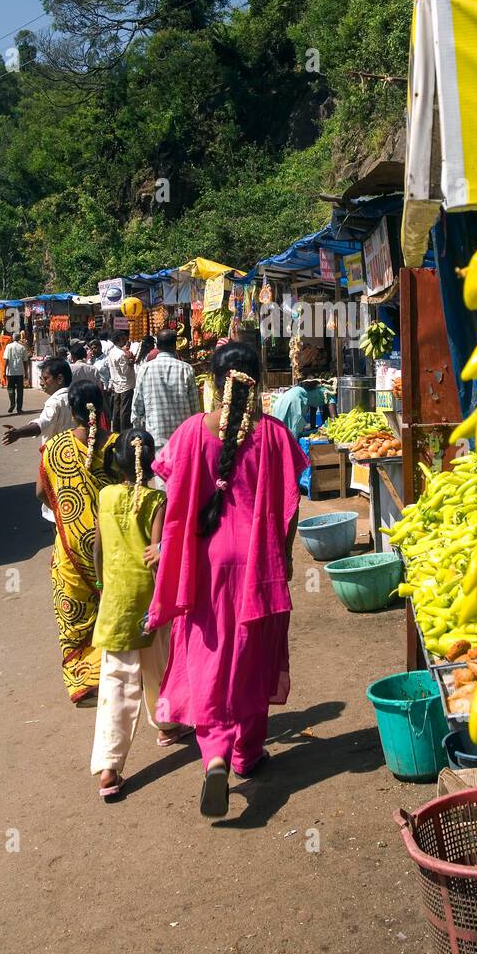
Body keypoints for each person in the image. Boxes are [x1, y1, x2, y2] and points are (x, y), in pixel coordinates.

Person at [144, 342, 307, 819]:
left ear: (214, 383)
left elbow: (169, 494)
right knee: (252, 653)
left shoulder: (194, 431)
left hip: (207, 563)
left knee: (209, 655)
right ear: (257, 382)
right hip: (256, 563)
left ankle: (215, 751)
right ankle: (247, 753)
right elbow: (289, 506)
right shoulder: (274, 434)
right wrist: (286, 557)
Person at [90, 429, 187, 797]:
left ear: (116, 463)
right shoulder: (156, 499)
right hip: (150, 597)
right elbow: (156, 551)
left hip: (116, 600)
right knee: (157, 664)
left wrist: (102, 585)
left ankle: (109, 770)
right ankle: (166, 724)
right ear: (151, 464)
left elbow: (98, 548)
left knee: (116, 683)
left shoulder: (105, 495)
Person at [36, 381, 118, 705]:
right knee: (107, 613)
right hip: (110, 549)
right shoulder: (114, 446)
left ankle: (83, 683)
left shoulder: (54, 448)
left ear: (71, 411)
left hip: (69, 553)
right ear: (103, 408)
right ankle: (110, 674)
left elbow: (41, 493)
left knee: (73, 619)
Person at [2, 357, 75, 520]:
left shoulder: (54, 402)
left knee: (46, 494)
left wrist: (18, 433)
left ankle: (60, 515)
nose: (42, 383)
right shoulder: (75, 396)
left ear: (60, 379)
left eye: (45, 378)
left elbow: (41, 424)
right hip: (75, 455)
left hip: (56, 459)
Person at [131, 329, 200, 455]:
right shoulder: (186, 369)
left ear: (157, 346)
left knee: (160, 471)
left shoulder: (145, 369)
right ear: (175, 346)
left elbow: (137, 406)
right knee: (180, 471)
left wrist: (138, 432)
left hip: (156, 434)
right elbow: (195, 408)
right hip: (183, 435)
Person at [107, 328, 136, 431]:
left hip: (117, 384)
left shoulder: (112, 352)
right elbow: (125, 371)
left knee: (117, 409)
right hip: (126, 384)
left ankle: (116, 429)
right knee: (125, 410)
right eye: (123, 338)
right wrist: (131, 363)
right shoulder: (121, 354)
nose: (125, 340)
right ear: (119, 339)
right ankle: (125, 431)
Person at [3, 331, 30, 414]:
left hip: (10, 372)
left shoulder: (8, 346)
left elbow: (6, 360)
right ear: (19, 338)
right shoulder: (22, 347)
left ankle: (12, 403)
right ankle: (19, 408)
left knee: (10, 389)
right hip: (19, 372)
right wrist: (26, 373)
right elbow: (25, 361)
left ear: (12, 338)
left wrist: (4, 371)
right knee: (20, 391)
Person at [0, 325, 12, 393]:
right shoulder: (10, 338)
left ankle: (2, 383)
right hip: (8, 355)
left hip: (1, 355)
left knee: (2, 369)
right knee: (8, 369)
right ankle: (8, 382)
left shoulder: (0, 338)